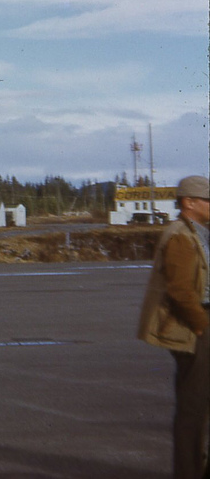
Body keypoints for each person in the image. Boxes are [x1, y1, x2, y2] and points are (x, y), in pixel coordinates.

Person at [138, 175, 210, 479]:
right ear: (188, 203)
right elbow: (180, 289)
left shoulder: (201, 232)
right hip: (196, 327)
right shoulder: (180, 235)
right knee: (193, 408)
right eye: (207, 200)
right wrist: (201, 327)